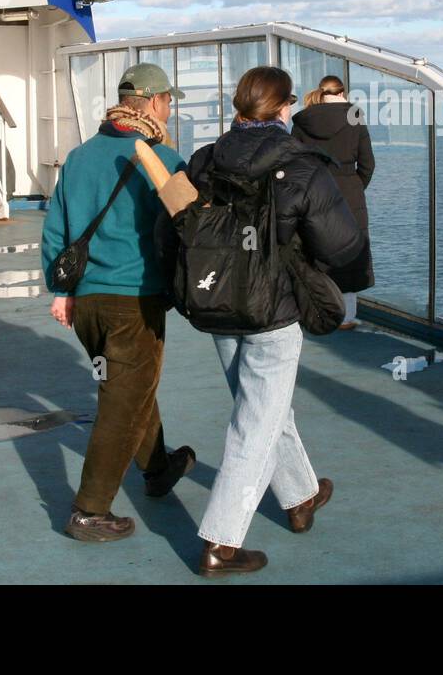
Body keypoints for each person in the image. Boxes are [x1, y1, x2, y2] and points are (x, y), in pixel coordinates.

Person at [184, 66, 362, 575]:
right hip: (274, 308)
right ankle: (221, 542)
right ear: (284, 108)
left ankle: (301, 496)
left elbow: (174, 225)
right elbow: (343, 244)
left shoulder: (205, 159)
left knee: (263, 408)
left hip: (216, 302)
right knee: (253, 425)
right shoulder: (301, 165)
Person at [42, 63, 198, 541]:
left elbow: (56, 231)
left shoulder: (80, 157)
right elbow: (188, 229)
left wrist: (63, 292)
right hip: (135, 304)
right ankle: (89, 510)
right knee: (121, 404)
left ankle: (157, 468)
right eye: (169, 100)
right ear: (152, 102)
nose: (169, 109)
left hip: (87, 305)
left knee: (128, 391)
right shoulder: (164, 160)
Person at [291, 75, 374, 329]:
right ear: (343, 92)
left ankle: (314, 311)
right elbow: (368, 163)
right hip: (349, 191)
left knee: (314, 249)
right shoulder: (354, 116)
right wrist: (355, 185)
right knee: (349, 252)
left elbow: (295, 160)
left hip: (315, 189)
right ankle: (346, 318)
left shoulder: (304, 119)